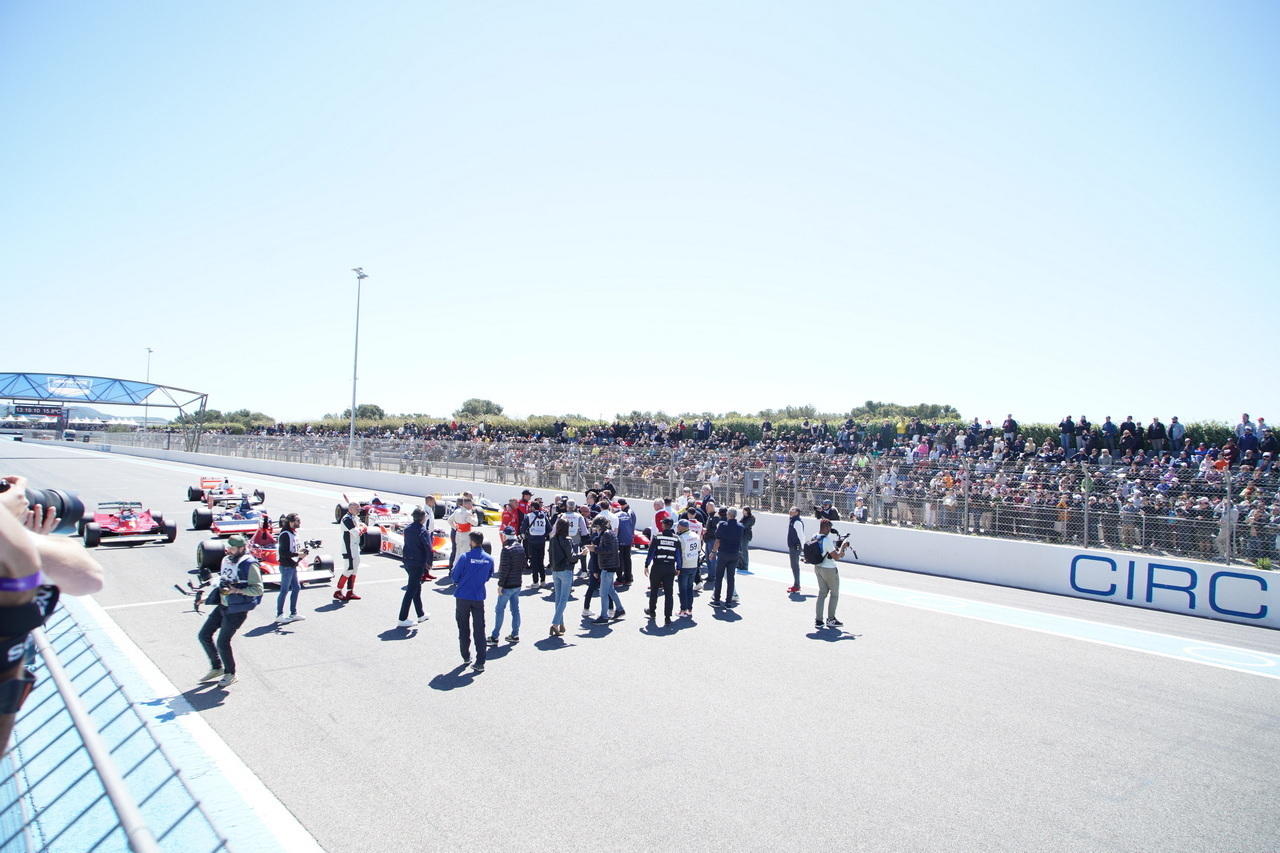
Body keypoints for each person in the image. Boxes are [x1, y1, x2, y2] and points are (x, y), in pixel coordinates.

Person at [197, 535, 262, 688]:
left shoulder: (250, 564)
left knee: (222, 641)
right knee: (204, 635)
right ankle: (216, 667)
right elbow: (223, 581)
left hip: (237, 609)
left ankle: (230, 673)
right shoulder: (226, 560)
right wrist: (206, 598)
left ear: (241, 548)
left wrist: (237, 590)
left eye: (233, 548)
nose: (229, 550)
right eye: (229, 547)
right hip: (223, 605)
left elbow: (258, 589)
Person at [452, 532, 493, 673]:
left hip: (463, 596)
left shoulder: (464, 557)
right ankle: (480, 661)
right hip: (478, 596)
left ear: (472, 542)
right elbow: (488, 576)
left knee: (463, 628)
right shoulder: (489, 559)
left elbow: (455, 576)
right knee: (480, 629)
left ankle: (466, 656)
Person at [489, 527, 526, 645]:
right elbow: (523, 565)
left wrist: (500, 585)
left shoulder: (506, 549)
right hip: (517, 583)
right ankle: (515, 634)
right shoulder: (520, 547)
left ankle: (495, 636)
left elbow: (504, 569)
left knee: (499, 609)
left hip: (507, 584)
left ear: (505, 536)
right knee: (515, 609)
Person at [396, 508, 432, 627]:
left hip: (407, 561)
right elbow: (428, 548)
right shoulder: (422, 530)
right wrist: (429, 563)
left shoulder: (408, 529)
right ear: (422, 518)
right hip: (417, 563)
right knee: (411, 590)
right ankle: (402, 618)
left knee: (416, 587)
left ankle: (420, 614)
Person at [643, 516, 682, 625]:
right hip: (670, 568)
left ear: (664, 525)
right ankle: (668, 617)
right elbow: (678, 555)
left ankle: (652, 611)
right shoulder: (676, 539)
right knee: (669, 593)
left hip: (657, 567)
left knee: (654, 590)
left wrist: (646, 565)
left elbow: (651, 553)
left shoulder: (657, 537)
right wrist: (679, 568)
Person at [813, 519, 850, 630]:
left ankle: (818, 620)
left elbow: (825, 551)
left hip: (818, 568)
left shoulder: (814, 536)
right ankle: (831, 619)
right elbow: (837, 557)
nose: (830, 530)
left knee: (822, 593)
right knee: (834, 594)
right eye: (829, 528)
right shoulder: (827, 540)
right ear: (826, 527)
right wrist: (843, 547)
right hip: (829, 569)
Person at [590, 517, 623, 624]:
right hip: (611, 565)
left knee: (603, 593)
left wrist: (594, 549)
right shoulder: (610, 533)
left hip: (608, 566)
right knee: (610, 590)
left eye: (596, 526)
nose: (595, 528)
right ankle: (619, 609)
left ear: (600, 526)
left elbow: (608, 550)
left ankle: (604, 616)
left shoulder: (606, 534)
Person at [274, 513, 306, 625]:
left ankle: (293, 613)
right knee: (284, 590)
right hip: (286, 566)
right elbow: (283, 553)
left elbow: (294, 548)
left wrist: (302, 552)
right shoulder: (285, 534)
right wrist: (298, 554)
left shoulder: (293, 533)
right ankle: (279, 614)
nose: (299, 523)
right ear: (291, 522)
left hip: (292, 565)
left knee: (296, 588)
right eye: (298, 520)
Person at [710, 507, 743, 607]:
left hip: (723, 553)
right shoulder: (740, 526)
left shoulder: (723, 525)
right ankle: (728, 601)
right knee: (731, 578)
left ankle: (716, 600)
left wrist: (713, 552)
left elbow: (717, 541)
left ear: (728, 515)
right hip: (734, 554)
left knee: (719, 577)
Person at [548, 518, 575, 636]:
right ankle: (555, 624)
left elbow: (550, 554)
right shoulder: (567, 540)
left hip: (555, 570)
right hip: (566, 570)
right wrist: (581, 555)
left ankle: (560, 624)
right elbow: (571, 557)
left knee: (558, 599)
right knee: (564, 599)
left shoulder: (553, 539)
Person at [336, 501, 363, 601]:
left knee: (354, 569)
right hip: (348, 549)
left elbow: (362, 525)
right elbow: (356, 532)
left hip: (355, 547)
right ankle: (338, 591)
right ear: (351, 508)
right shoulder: (346, 519)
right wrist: (361, 529)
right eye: (357, 508)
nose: (359, 510)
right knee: (348, 569)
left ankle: (350, 591)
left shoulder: (354, 517)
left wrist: (361, 527)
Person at [521, 498, 550, 589]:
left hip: (532, 541)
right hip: (541, 541)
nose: (529, 508)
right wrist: (543, 535)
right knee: (541, 561)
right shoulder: (544, 515)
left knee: (534, 561)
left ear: (533, 507)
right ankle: (543, 581)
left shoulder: (529, 516)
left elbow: (523, 528)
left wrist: (526, 535)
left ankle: (535, 581)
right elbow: (549, 528)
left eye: (530, 507)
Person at [675, 518, 700, 617]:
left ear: (681, 527)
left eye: (678, 526)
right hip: (694, 565)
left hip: (685, 565)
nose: (677, 527)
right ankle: (689, 609)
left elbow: (678, 553)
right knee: (689, 588)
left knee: (683, 589)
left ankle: (683, 610)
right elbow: (698, 549)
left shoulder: (681, 538)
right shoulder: (696, 535)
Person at [448, 497, 475, 577]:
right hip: (466, 535)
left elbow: (449, 520)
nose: (472, 505)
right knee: (465, 554)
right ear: (466, 504)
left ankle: (453, 571)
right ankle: (462, 573)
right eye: (471, 504)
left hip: (458, 534)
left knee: (457, 553)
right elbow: (475, 523)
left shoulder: (457, 511)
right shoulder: (467, 513)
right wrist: (475, 516)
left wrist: (455, 527)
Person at [615, 499, 636, 586]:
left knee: (621, 559)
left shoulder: (624, 513)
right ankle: (628, 578)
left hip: (621, 539)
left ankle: (621, 579)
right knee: (627, 559)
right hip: (628, 538)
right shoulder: (629, 512)